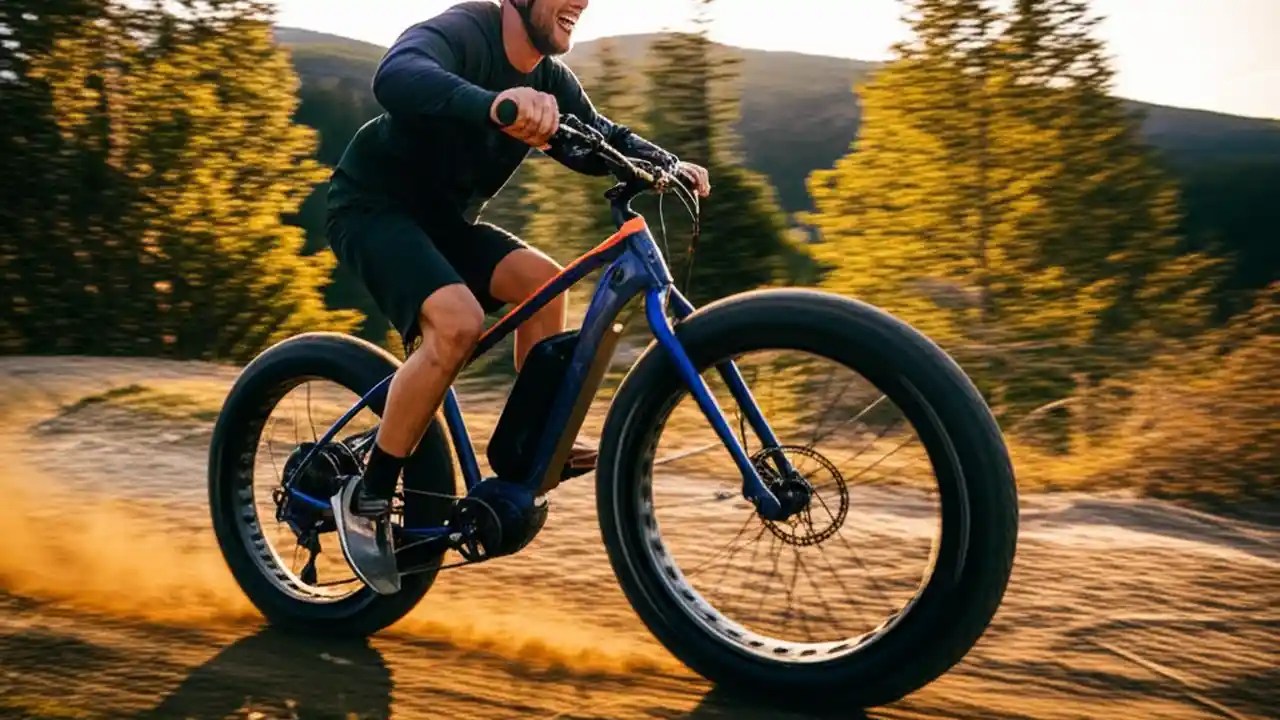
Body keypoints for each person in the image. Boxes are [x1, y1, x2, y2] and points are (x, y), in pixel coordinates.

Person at [324, 0, 712, 592]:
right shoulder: (465, 30)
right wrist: (494, 105)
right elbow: (396, 75)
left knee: (544, 281)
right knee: (458, 323)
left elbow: (597, 136)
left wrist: (666, 163)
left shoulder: (550, 80)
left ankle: (531, 441)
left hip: (444, 226)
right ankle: (368, 496)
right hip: (373, 208)